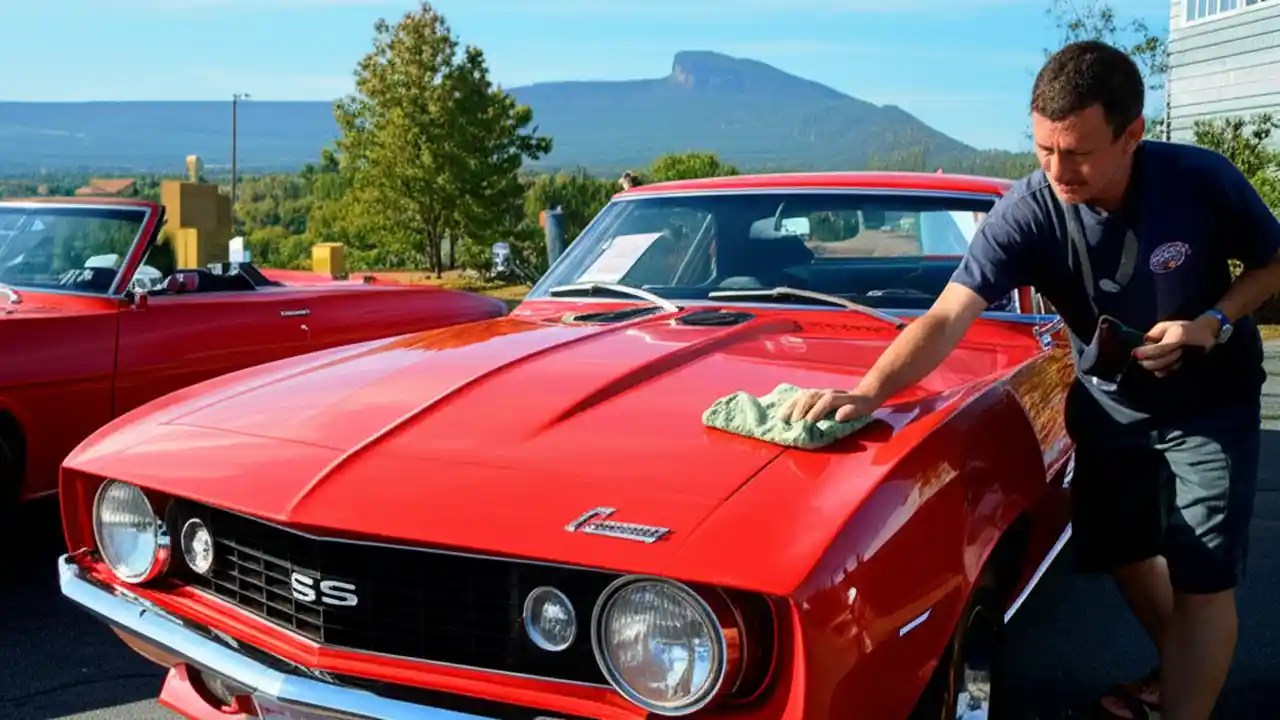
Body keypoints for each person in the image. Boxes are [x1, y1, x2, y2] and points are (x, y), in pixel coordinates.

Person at [782, 40, 1280, 720]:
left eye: (1075, 151)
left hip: (1209, 400)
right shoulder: (1030, 208)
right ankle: (1182, 666)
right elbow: (948, 315)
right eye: (1043, 148)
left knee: (1202, 574)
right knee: (1123, 549)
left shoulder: (1201, 179)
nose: (1055, 169)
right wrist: (869, 391)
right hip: (1111, 404)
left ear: (1132, 135)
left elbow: (1273, 263)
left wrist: (1213, 321)